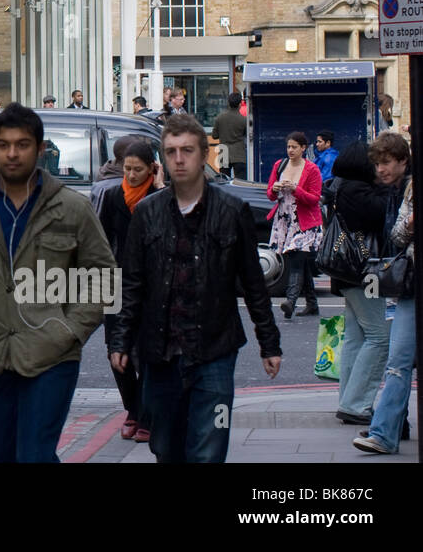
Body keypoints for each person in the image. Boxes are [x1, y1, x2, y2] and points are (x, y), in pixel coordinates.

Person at [0, 103, 116, 462]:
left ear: (41, 149)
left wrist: (71, 330)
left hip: (52, 355)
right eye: (4, 144)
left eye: (23, 144)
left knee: (35, 455)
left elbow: (103, 277)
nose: (12, 153)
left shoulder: (72, 208)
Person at [109, 113, 282, 463]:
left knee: (210, 446)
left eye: (187, 150)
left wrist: (269, 342)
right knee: (167, 447)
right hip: (160, 351)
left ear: (204, 155)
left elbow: (253, 282)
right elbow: (132, 283)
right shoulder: (147, 212)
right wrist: (121, 339)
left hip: (215, 349)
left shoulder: (233, 211)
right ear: (163, 159)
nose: (179, 159)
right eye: (171, 151)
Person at [96, 137, 162, 442]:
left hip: (154, 285)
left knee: (148, 352)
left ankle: (149, 415)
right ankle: (133, 409)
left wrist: (160, 188)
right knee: (115, 350)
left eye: (138, 170)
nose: (132, 175)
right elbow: (101, 240)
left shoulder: (161, 196)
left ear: (152, 168)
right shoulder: (112, 197)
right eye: (127, 169)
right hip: (118, 283)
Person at [325, 141, 393, 425]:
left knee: (356, 336)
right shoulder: (358, 191)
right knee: (379, 336)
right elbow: (382, 214)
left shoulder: (339, 187)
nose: (378, 168)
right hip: (366, 272)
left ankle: (347, 400)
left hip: (347, 272)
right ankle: (356, 404)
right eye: (374, 163)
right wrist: (386, 187)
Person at [353, 173, 416, 454]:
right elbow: (397, 236)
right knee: (397, 362)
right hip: (413, 288)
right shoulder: (412, 189)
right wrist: (410, 222)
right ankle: (383, 435)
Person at [265, 131, 323, 319]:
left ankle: (290, 301)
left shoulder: (312, 169)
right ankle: (312, 303)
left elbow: (315, 199)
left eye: (294, 147)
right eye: (288, 146)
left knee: (297, 260)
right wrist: (274, 189)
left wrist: (295, 189)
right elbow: (270, 194)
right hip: (284, 219)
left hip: (305, 221)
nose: (290, 150)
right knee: (300, 261)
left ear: (303, 148)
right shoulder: (279, 165)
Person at [211, 92, 247, 179]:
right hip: (239, 154)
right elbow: (246, 135)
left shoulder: (219, 118)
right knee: (241, 182)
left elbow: (214, 136)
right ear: (240, 104)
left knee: (224, 181)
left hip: (224, 152)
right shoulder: (243, 120)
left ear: (228, 103)